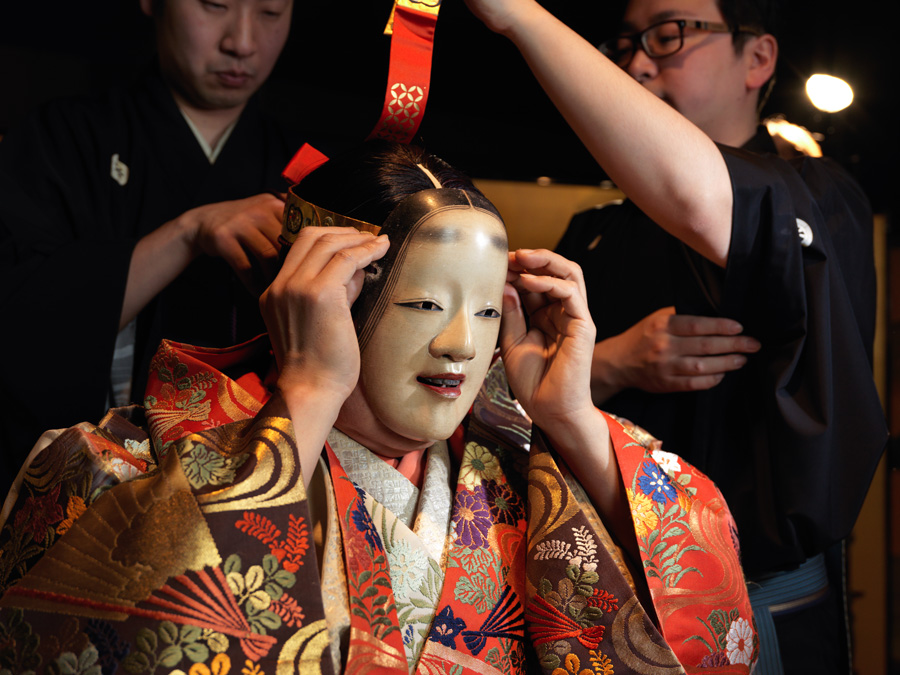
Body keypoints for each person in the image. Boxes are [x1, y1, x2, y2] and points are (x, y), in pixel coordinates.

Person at [0, 142, 757, 674]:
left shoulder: (533, 468)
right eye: (427, 302)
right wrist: (304, 396)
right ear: (323, 291)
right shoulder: (120, 458)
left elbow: (706, 633)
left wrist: (572, 420)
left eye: (488, 312)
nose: (462, 344)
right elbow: (125, 635)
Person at [462, 0, 887, 671]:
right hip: (591, 581)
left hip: (753, 602)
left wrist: (520, 16)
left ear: (758, 58)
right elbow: (526, 401)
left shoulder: (818, 192)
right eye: (628, 41)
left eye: (669, 34)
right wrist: (608, 365)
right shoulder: (597, 230)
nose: (636, 61)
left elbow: (705, 198)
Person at [0, 0, 304, 495]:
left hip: (243, 496)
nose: (242, 42)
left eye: (271, 12)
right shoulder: (62, 138)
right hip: (80, 501)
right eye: (215, 5)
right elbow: (19, 323)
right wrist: (189, 232)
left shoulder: (307, 173)